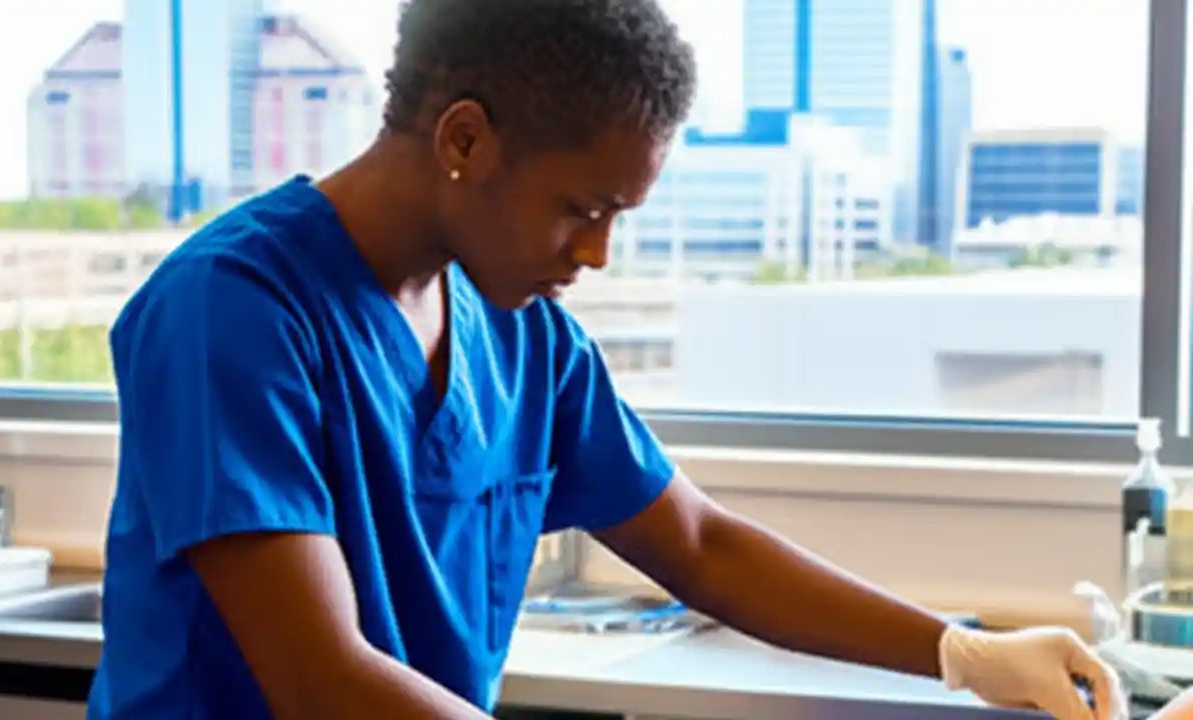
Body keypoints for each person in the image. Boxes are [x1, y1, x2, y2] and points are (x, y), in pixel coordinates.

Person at [85, 1, 1126, 718]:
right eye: (580, 209)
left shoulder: (521, 334)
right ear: (462, 140)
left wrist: (960, 652)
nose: (594, 254)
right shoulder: (233, 310)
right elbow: (321, 683)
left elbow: (700, 545)